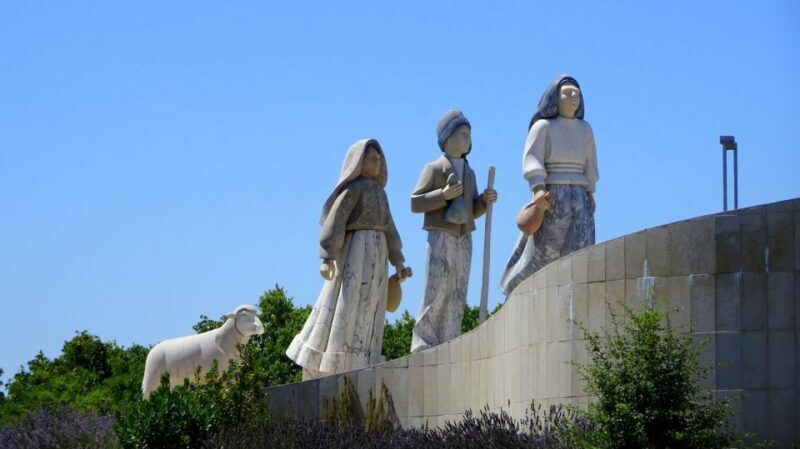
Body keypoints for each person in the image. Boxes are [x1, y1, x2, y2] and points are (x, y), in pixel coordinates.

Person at [286, 139, 411, 379]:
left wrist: (398, 261)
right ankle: (336, 355)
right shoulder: (353, 190)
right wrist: (327, 256)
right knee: (348, 301)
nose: (376, 162)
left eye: (378, 158)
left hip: (378, 253)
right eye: (370, 158)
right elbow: (336, 221)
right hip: (355, 249)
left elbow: (390, 229)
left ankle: (365, 354)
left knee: (372, 307)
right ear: (358, 162)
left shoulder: (381, 194)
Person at [500, 75, 599, 296]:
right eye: (567, 93)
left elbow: (590, 163)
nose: (573, 97)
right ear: (555, 97)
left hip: (580, 194)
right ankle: (518, 289)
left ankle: (572, 296)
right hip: (553, 193)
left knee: (581, 250)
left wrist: (590, 192)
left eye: (577, 93)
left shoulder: (585, 129)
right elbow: (533, 159)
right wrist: (538, 188)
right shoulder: (543, 127)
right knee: (544, 251)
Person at [410, 109, 498, 353]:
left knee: (458, 290)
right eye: (463, 134)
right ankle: (423, 340)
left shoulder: (469, 173)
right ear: (448, 138)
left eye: (469, 134)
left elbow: (471, 210)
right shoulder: (434, 168)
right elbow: (415, 202)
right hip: (440, 233)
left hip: (464, 236)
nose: (468, 139)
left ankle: (450, 339)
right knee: (436, 288)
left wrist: (483, 201)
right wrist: (443, 195)